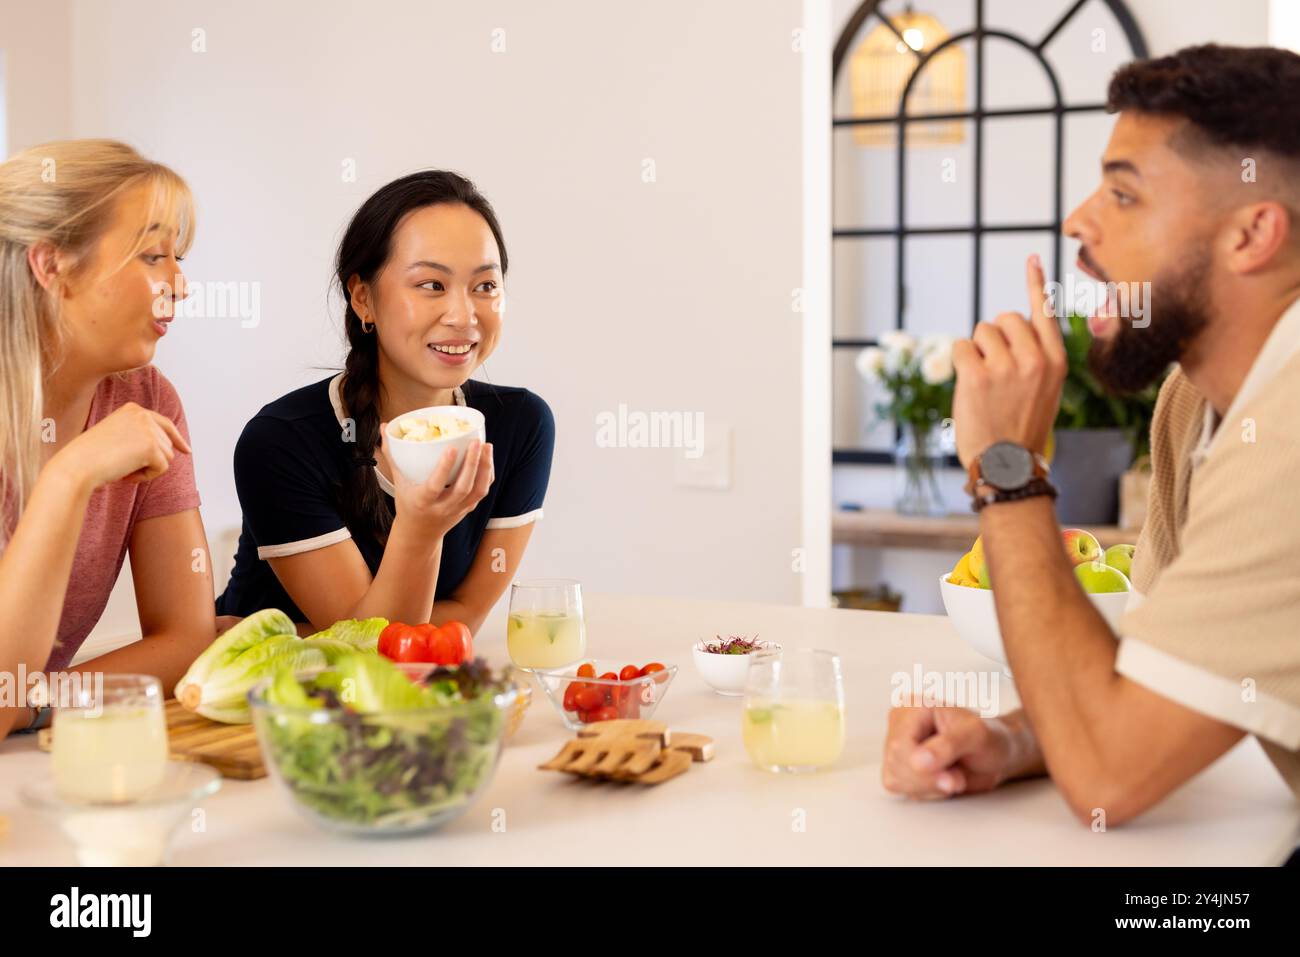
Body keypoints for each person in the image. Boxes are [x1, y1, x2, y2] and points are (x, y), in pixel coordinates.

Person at [881, 44, 1300, 824]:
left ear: (1251, 234)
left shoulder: (1287, 435)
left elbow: (1110, 776)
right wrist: (1007, 742)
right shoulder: (1191, 401)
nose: (1079, 219)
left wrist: (1007, 467)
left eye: (1124, 195)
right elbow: (1154, 691)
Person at [216, 171, 554, 635]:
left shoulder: (521, 425)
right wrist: (420, 528)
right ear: (363, 298)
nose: (463, 315)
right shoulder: (281, 441)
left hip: (400, 696)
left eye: (485, 286)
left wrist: (307, 634)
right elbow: (369, 650)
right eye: (431, 285)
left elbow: (463, 621)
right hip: (267, 694)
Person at [0, 140, 217, 737]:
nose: (180, 284)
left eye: (177, 257)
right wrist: (71, 476)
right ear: (52, 266)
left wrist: (37, 700)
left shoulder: (144, 400)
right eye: (153, 256)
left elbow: (186, 639)